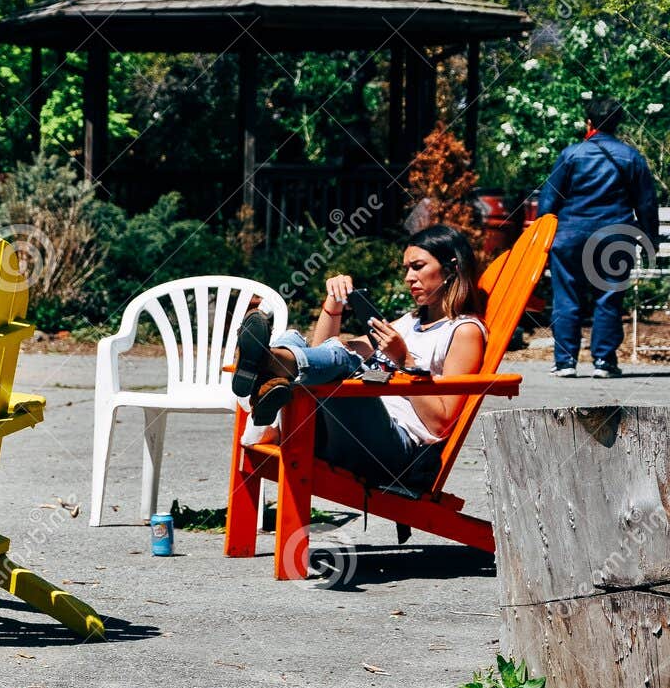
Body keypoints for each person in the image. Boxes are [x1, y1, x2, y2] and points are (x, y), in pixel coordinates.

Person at [231, 225, 487, 491]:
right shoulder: (408, 323)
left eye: (418, 266)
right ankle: (268, 369)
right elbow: (320, 356)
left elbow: (441, 424)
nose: (409, 278)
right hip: (348, 434)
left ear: (451, 267)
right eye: (406, 269)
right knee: (296, 339)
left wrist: (405, 363)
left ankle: (265, 376)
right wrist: (334, 304)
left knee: (345, 361)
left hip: (392, 452)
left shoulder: (463, 331)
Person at [537, 96, 658, 379]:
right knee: (609, 297)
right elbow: (646, 204)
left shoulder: (571, 154)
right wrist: (650, 239)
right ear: (617, 124)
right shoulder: (631, 157)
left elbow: (549, 201)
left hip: (570, 236)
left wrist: (542, 236)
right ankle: (604, 361)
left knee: (566, 297)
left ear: (589, 122)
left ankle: (565, 362)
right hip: (615, 237)